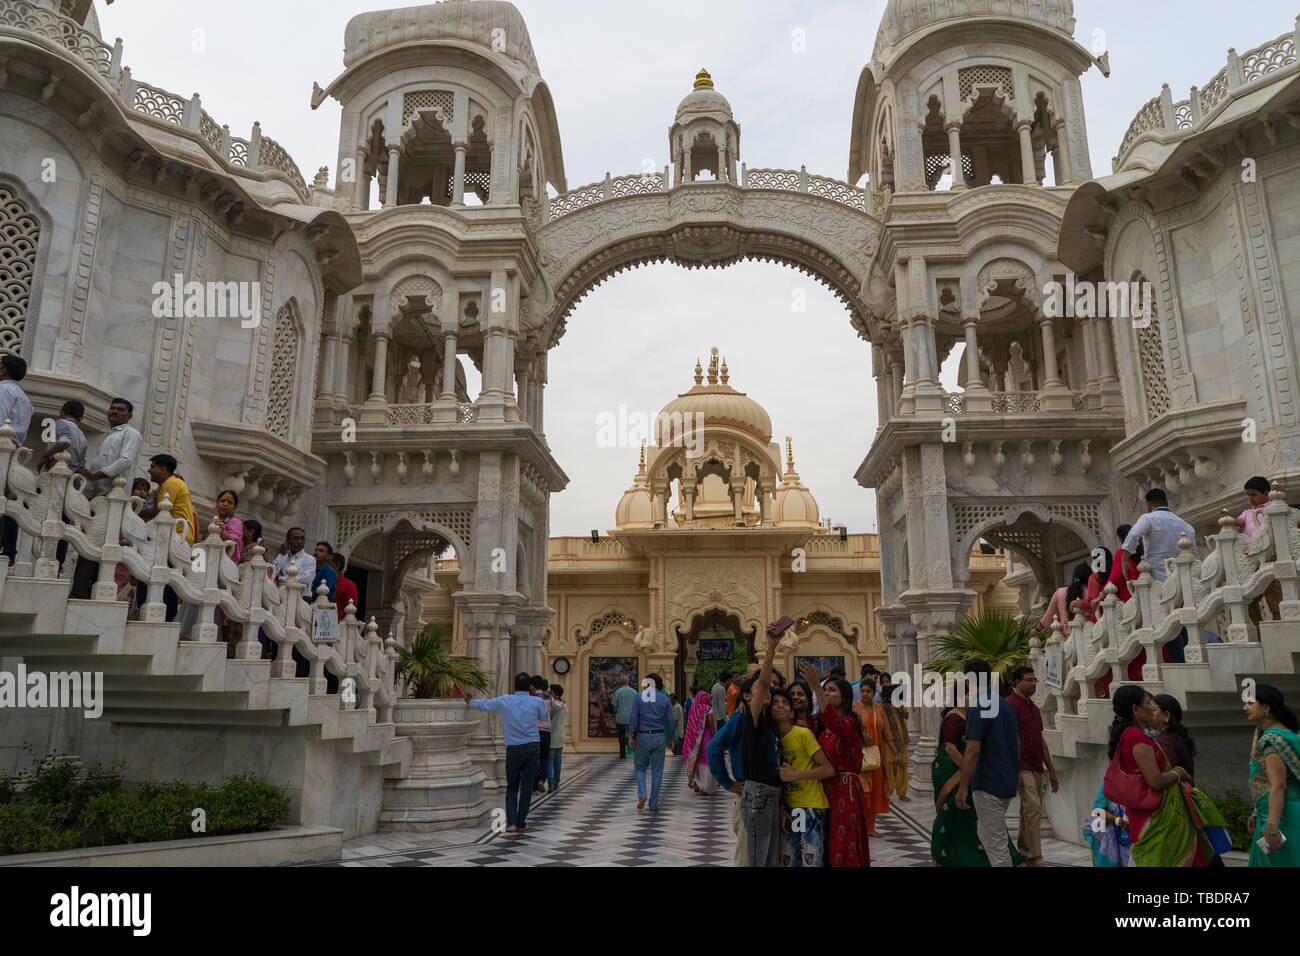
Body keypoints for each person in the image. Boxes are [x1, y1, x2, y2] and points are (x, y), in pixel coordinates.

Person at [1104, 685, 1208, 866]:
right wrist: (1178, 772)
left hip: (1146, 814)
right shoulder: (1136, 737)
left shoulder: (1132, 734)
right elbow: (1156, 781)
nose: (1152, 706)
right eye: (1147, 702)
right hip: (1156, 818)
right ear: (1135, 710)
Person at [71, 398, 143, 598]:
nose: (114, 412)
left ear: (129, 415)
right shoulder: (111, 435)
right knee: (89, 545)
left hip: (112, 498)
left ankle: (84, 593)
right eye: (112, 408)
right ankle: (81, 591)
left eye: (120, 409)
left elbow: (125, 460)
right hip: (97, 498)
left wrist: (96, 475)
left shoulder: (131, 434)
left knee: (96, 546)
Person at [802, 663, 870, 866]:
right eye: (824, 690)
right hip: (822, 790)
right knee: (823, 843)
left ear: (845, 696)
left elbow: (834, 720)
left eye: (832, 690)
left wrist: (816, 685)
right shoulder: (820, 726)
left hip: (844, 791)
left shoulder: (848, 723)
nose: (827, 693)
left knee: (842, 845)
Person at [1119, 489, 1198, 662]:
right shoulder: (1185, 525)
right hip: (1182, 580)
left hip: (1158, 581)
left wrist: (1125, 557)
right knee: (1183, 619)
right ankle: (1191, 658)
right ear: (1166, 502)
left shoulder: (1148, 519)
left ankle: (1181, 662)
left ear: (1149, 504)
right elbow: (1194, 554)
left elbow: (1133, 534)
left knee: (1167, 622)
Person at [956, 659, 1020, 867]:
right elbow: (1017, 742)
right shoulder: (1006, 705)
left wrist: (963, 788)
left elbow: (973, 749)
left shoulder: (977, 706)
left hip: (988, 782)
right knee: (984, 832)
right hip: (1006, 780)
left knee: (996, 844)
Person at [468, 673, 549, 833]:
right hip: (532, 748)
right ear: (530, 687)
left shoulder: (505, 700)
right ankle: (521, 823)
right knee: (526, 787)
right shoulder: (537, 701)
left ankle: (511, 823)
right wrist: (533, 697)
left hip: (513, 749)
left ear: (514, 686)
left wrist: (469, 701)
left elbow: (485, 705)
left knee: (512, 786)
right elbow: (544, 717)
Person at [770, 686, 833, 867]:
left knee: (811, 861)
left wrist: (795, 775)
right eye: (775, 703)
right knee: (789, 861)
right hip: (788, 809)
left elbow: (828, 769)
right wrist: (782, 807)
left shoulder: (803, 734)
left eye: (785, 703)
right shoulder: (772, 740)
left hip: (810, 806)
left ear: (791, 713)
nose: (780, 706)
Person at [740, 623, 786, 867]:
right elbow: (766, 683)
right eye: (758, 688)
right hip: (758, 796)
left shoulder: (768, 722)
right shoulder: (753, 716)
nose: (765, 690)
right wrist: (770, 649)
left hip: (770, 794)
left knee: (768, 860)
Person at [1006, 666, 1059, 866]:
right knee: (1034, 808)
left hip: (1037, 764)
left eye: (1035, 680)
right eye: (1029, 680)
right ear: (1017, 682)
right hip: (1021, 764)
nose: (1034, 684)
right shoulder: (1009, 705)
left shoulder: (1034, 709)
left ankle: (1025, 850)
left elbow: (1040, 740)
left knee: (1027, 811)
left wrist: (1052, 771)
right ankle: (1036, 856)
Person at [1244, 684, 1300, 867]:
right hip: (1273, 811)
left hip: (1280, 817)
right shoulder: (1283, 733)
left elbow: (1278, 785)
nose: (1245, 707)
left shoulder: (1272, 740)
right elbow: (1264, 779)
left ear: (1267, 707)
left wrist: (1271, 826)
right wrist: (1256, 810)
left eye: (1250, 703)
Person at [136, 455, 195, 623]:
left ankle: (162, 617)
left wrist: (133, 512)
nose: (149, 470)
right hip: (173, 536)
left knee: (150, 571)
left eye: (153, 466)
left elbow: (159, 513)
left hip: (173, 537)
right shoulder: (169, 484)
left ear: (163, 469)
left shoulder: (171, 484)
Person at [853, 679, 897, 837]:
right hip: (861, 758)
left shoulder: (879, 709)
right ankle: (860, 827)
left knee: (876, 792)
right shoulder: (854, 708)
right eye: (863, 691)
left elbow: (887, 731)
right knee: (864, 793)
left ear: (874, 693)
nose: (865, 694)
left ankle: (871, 827)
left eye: (868, 691)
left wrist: (895, 751)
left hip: (876, 758)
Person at [1239, 476, 1285, 626]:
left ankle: (1278, 627)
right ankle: (1259, 630)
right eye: (1248, 495)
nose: (1250, 498)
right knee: (1249, 596)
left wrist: (1279, 493)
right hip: (1251, 560)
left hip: (1270, 557)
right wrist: (1228, 520)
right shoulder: (1246, 513)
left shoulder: (1272, 507)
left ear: (1266, 494)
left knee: (1274, 594)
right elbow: (1239, 522)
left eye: (1254, 494)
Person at [0, 354, 32, 561]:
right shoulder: (25, 398)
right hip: (15, 454)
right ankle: (10, 550)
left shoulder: (3, 390)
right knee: (11, 502)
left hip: (2, 451)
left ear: (4, 370)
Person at [629, 673, 674, 811]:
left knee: (640, 768)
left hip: (642, 736)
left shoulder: (638, 697)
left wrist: (631, 736)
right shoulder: (665, 699)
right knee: (657, 771)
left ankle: (642, 794)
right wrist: (671, 738)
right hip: (659, 736)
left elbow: (633, 718)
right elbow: (670, 721)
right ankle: (653, 804)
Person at [1082, 783, 1132, 867]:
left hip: (1136, 835)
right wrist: (1115, 819)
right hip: (1114, 838)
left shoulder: (1139, 781)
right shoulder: (1109, 783)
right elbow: (1098, 811)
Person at [879, 676, 911, 802]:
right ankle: (888, 792)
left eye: (888, 681)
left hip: (901, 737)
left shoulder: (899, 699)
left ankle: (901, 792)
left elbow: (906, 715)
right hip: (887, 739)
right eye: (884, 682)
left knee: (902, 764)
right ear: (880, 684)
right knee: (889, 766)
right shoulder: (878, 699)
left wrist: (898, 705)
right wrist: (883, 702)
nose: (886, 683)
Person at [34, 400, 87, 473]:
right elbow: (82, 465)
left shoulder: (60, 423)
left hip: (57, 474)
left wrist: (45, 456)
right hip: (73, 479)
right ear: (80, 418)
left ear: (61, 413)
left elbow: (65, 443)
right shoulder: (82, 436)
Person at [1153, 694, 1196, 783]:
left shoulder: (1166, 742)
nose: (1148, 713)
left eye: (1153, 710)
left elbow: (1165, 776)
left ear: (1166, 715)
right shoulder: (1173, 735)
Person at [1039, 563, 1090, 638]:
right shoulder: (1091, 592)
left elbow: (1048, 618)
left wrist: (1036, 630)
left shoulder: (1059, 593)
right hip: (1088, 638)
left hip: (1068, 641)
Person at [682, 688, 717, 795]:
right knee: (706, 763)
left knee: (696, 762)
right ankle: (704, 787)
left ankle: (697, 783)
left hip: (694, 741)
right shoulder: (708, 709)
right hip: (707, 738)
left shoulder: (693, 708)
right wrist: (716, 737)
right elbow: (711, 725)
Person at [530, 675, 559, 793]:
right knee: (544, 757)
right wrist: (561, 703)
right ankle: (542, 780)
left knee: (533, 758)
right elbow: (557, 707)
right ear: (542, 685)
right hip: (546, 730)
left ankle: (534, 784)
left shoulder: (531, 696)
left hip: (533, 730)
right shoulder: (548, 696)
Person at [546, 683, 567, 791]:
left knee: (550, 762)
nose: (549, 694)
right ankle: (556, 783)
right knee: (558, 762)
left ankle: (551, 784)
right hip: (560, 737)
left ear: (557, 696)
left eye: (551, 693)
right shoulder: (564, 706)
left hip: (552, 737)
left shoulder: (552, 707)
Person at [611, 678, 635, 758]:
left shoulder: (618, 691)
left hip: (621, 717)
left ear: (621, 682)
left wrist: (617, 712)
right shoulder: (634, 691)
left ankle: (622, 754)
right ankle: (633, 752)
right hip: (631, 718)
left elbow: (614, 704)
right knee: (633, 735)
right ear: (628, 681)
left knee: (621, 736)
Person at [331, 552, 358, 620]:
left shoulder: (349, 585)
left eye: (328, 563)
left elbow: (350, 611)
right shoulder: (320, 580)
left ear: (337, 565)